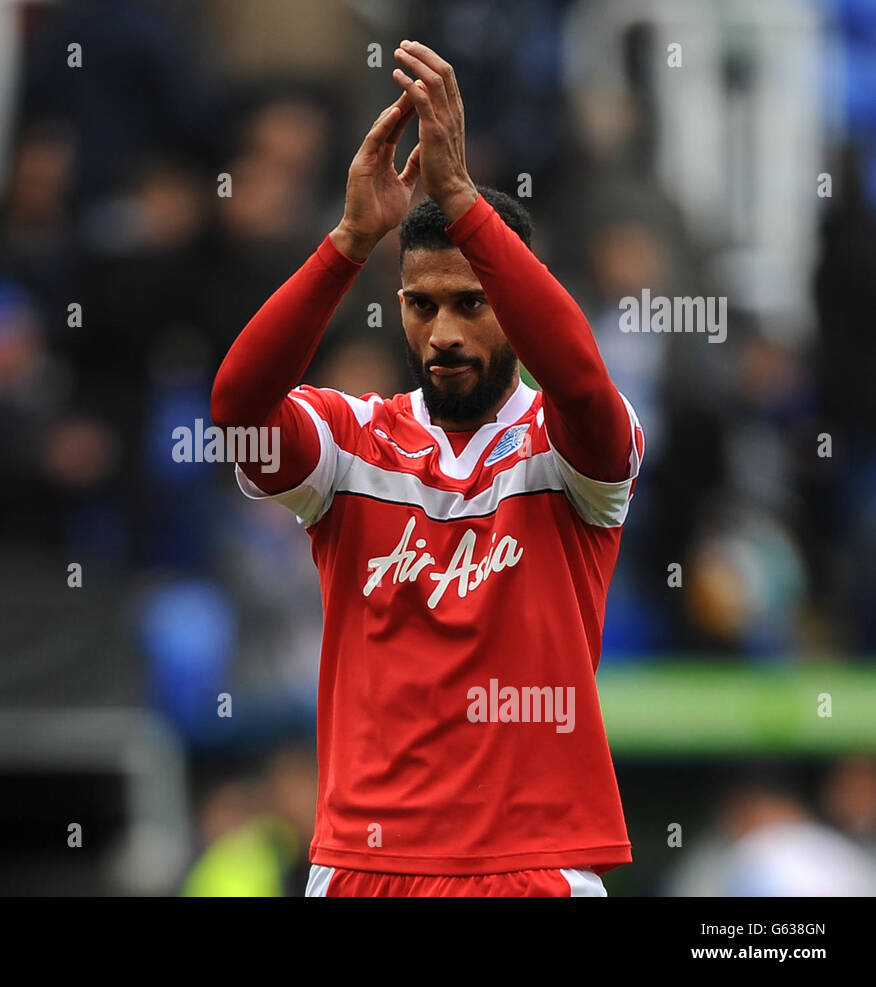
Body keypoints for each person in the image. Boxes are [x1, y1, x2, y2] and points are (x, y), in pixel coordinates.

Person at [210, 40, 644, 897]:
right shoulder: (349, 443)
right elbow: (238, 408)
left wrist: (459, 198)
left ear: (514, 307)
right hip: (364, 867)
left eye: (471, 303)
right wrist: (346, 243)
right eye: (421, 304)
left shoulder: (571, 454)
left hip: (532, 865)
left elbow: (584, 384)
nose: (442, 331)